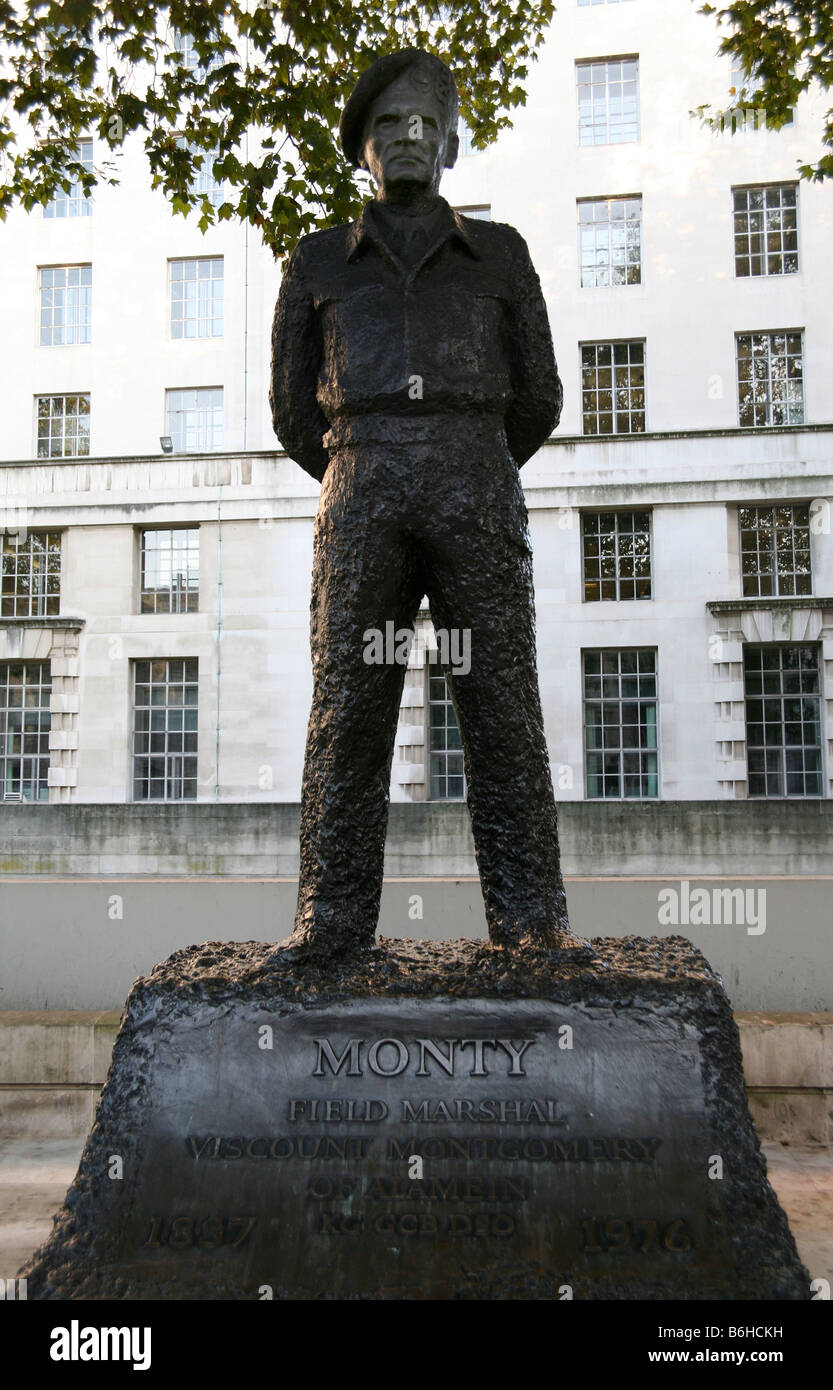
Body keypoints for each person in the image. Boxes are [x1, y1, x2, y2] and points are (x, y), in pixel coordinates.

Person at [270, 48, 579, 955]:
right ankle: (330, 923)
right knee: (349, 706)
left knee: (501, 705)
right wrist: (365, 461)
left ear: (449, 145)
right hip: (360, 489)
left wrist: (467, 456)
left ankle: (530, 922)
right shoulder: (319, 261)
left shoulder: (500, 253)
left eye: (423, 125)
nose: (406, 138)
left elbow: (542, 395)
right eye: (386, 126)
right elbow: (294, 413)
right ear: (361, 148)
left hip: (473, 488)